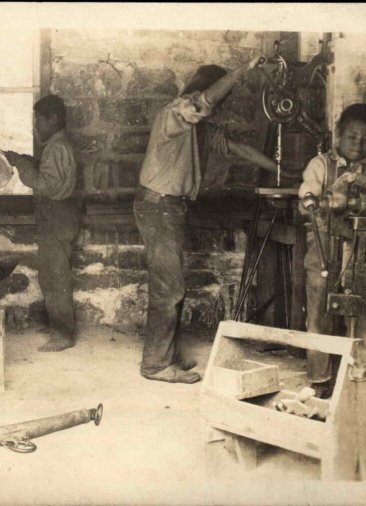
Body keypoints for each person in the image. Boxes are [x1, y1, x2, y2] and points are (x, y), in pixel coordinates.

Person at [135, 56, 277, 383]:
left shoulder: (198, 129)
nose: (220, 107)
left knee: (173, 286)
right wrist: (243, 69)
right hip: (159, 206)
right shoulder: (175, 113)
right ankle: (155, 365)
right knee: (168, 288)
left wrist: (281, 171)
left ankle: (166, 355)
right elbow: (206, 100)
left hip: (170, 207)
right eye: (219, 99)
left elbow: (236, 146)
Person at [298, 103, 366, 399]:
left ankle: (359, 377)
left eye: (365, 140)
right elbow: (307, 193)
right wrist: (314, 200)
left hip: (361, 250)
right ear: (338, 134)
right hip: (323, 247)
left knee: (361, 316)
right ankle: (319, 378)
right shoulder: (320, 164)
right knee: (319, 313)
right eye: (352, 137)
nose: (358, 145)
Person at [4, 95, 81, 352]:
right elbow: (50, 173)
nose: (35, 126)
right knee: (50, 274)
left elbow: (47, 184)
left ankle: (63, 334)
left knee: (56, 275)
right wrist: (21, 158)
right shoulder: (56, 146)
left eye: (38, 120)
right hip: (56, 217)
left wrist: (23, 165)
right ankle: (57, 326)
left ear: (54, 119)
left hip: (58, 217)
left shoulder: (58, 147)